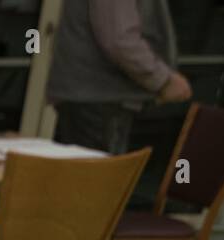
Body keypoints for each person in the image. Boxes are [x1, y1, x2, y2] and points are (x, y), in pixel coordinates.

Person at [47, 0, 191, 155]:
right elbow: (119, 40)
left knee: (84, 174)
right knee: (97, 176)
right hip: (99, 101)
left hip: (93, 98)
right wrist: (163, 80)